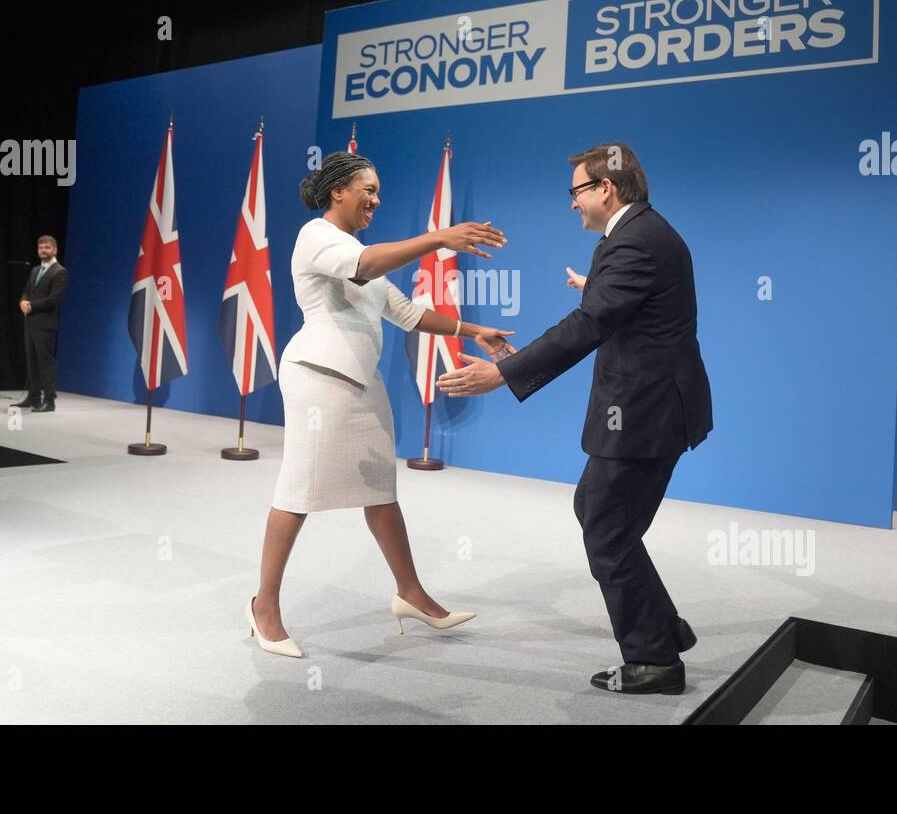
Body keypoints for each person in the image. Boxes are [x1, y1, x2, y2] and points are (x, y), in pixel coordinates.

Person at [437, 142, 713, 695]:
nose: (572, 204)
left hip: (644, 413)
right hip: (647, 406)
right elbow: (627, 305)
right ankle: (661, 627)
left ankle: (654, 660)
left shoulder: (634, 239)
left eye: (576, 191)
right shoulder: (639, 234)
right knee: (593, 506)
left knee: (608, 532)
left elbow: (590, 325)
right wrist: (597, 289)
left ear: (605, 188)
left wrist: (506, 373)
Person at [247, 150, 515, 658]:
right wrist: (438, 237)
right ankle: (264, 607)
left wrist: (475, 329)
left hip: (362, 383)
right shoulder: (317, 236)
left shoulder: (357, 248)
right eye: (367, 189)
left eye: (378, 191)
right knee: (298, 492)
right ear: (337, 192)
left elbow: (408, 313)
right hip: (315, 378)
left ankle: (410, 595)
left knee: (380, 491)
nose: (376, 199)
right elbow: (366, 265)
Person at [17, 235, 69, 412]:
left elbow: (54, 299)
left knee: (45, 363)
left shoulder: (59, 272)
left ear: (55, 250)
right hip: (31, 323)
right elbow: (27, 291)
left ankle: (49, 400)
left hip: (46, 325)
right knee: (31, 362)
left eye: (47, 248)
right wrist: (23, 301)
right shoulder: (35, 270)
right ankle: (33, 398)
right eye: (40, 248)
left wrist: (31, 305)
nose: (43, 251)